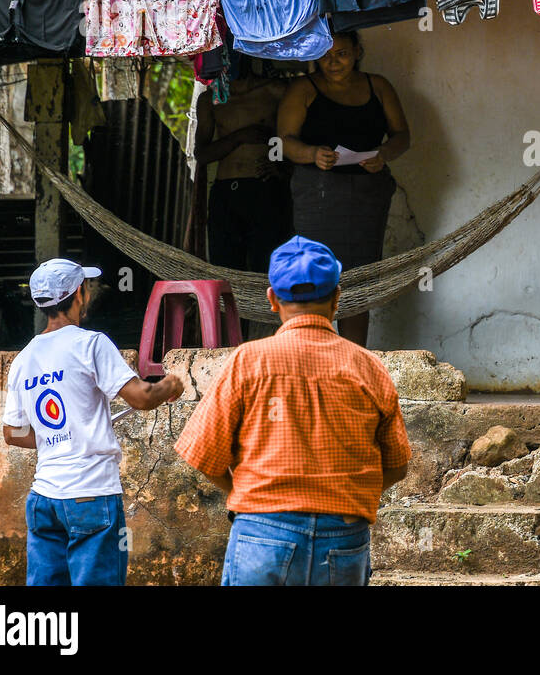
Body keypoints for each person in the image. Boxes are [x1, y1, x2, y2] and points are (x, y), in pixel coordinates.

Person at [174, 235, 411, 586]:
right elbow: (397, 466)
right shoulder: (369, 367)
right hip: (344, 534)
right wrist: (345, 499)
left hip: (262, 529)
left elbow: (203, 456)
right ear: (337, 299)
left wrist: (250, 493)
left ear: (272, 299)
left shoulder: (246, 362)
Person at [1, 258, 183, 585]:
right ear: (79, 294)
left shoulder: (23, 359)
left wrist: (54, 437)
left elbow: (13, 432)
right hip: (90, 494)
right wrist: (172, 383)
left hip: (43, 499)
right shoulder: (90, 344)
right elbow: (142, 397)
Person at [277, 31, 410, 345]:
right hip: (317, 193)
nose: (333, 61)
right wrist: (312, 154)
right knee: (314, 272)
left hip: (367, 194)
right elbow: (284, 141)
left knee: (359, 278)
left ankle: (352, 353)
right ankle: (314, 350)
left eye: (342, 54)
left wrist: (384, 155)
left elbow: (402, 135)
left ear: (358, 52)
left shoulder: (377, 85)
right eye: (325, 53)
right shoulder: (303, 89)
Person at [194, 70, 293, 273]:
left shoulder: (275, 91)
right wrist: (237, 137)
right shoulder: (210, 98)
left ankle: (267, 305)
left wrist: (282, 165)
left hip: (265, 187)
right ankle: (230, 306)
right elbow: (201, 154)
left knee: (267, 265)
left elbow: (291, 135)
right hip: (226, 190)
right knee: (226, 266)